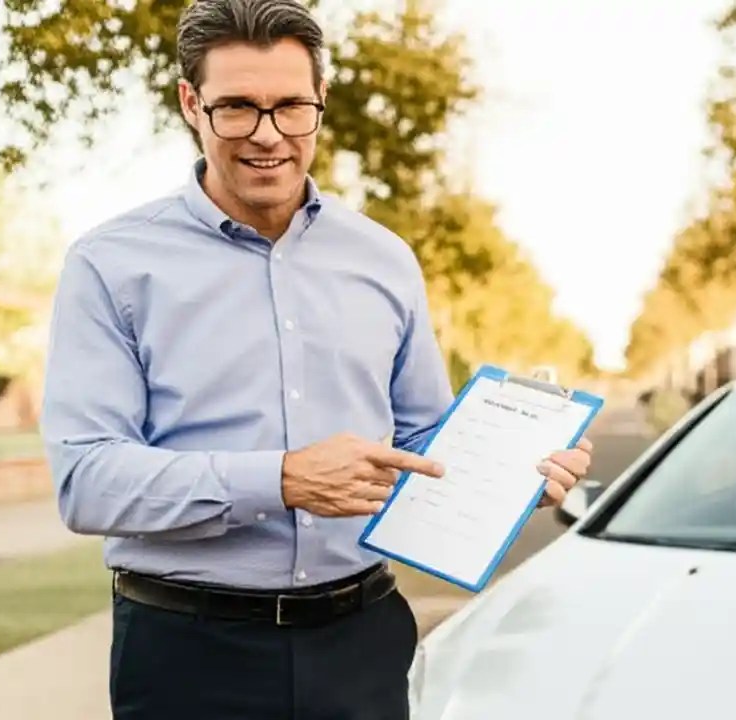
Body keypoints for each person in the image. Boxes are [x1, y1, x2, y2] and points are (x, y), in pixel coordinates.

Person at [39, 0, 593, 717]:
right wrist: (282, 479)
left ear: (321, 100)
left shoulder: (385, 260)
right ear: (191, 103)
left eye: (291, 107)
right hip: (188, 656)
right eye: (237, 107)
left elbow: (424, 443)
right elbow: (87, 481)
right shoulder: (110, 264)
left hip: (362, 644)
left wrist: (513, 472)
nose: (268, 134)